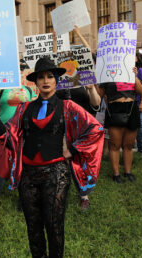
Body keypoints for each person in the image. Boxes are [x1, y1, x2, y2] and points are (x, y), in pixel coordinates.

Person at [0, 57, 104, 258]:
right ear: (36, 82)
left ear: (56, 80)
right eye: (41, 77)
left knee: (54, 226)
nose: (46, 81)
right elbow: (6, 136)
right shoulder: (24, 108)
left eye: (50, 76)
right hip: (28, 176)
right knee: (33, 227)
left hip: (56, 175)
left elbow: (95, 129)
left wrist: (72, 150)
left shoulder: (67, 106)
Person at [54, 26, 101, 211]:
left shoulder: (85, 80)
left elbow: (96, 104)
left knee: (81, 162)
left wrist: (91, 89)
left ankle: (84, 195)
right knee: (62, 160)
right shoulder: (57, 82)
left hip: (80, 129)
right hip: (62, 127)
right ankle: (60, 193)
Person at [0, 61, 36, 209]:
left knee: (23, 165)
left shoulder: (29, 90)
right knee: (1, 163)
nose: (18, 72)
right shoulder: (1, 89)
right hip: (3, 130)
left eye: (20, 70)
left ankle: (23, 199)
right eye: (14, 69)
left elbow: (36, 105)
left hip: (23, 132)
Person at [98, 67, 142, 183]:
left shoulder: (131, 70)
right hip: (114, 109)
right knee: (114, 144)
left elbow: (141, 91)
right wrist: (96, 81)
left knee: (128, 145)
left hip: (131, 108)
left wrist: (134, 76)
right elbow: (99, 94)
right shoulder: (106, 73)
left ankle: (127, 172)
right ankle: (116, 174)